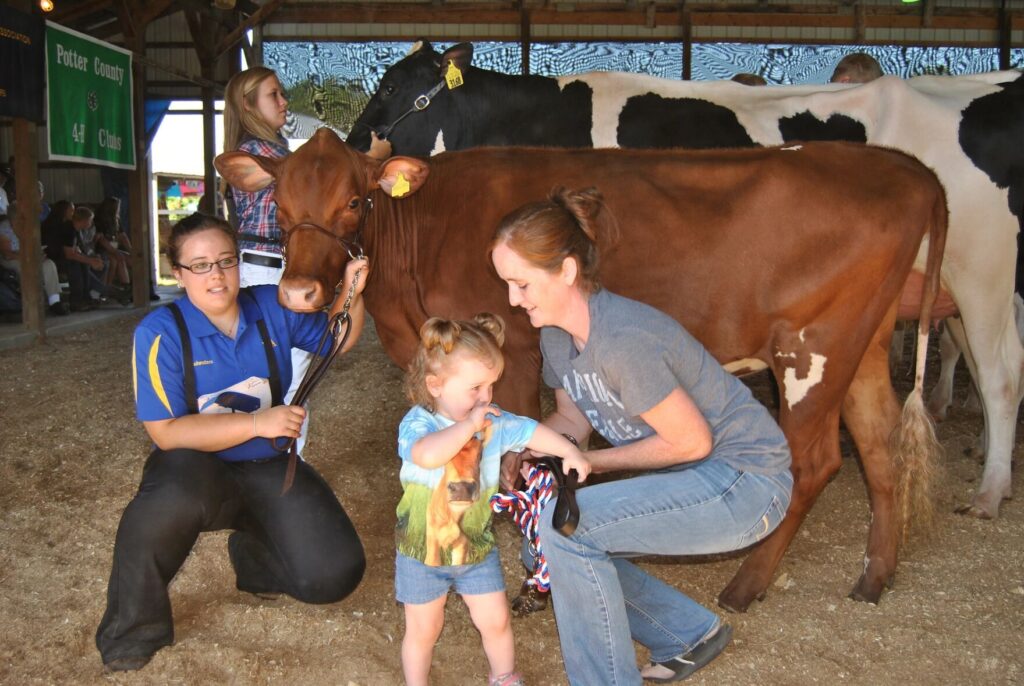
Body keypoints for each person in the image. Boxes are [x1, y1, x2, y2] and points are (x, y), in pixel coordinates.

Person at [489, 188, 793, 685]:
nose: (512, 299)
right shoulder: (556, 335)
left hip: (746, 482)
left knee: (567, 532)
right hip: (699, 475)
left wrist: (592, 464)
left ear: (566, 271)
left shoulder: (623, 341)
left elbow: (692, 443)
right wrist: (525, 450)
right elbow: (573, 421)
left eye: (521, 284)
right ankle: (687, 632)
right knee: (541, 542)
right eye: (507, 284)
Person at [95, 212, 370, 672]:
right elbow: (165, 431)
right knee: (164, 504)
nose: (216, 275)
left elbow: (336, 341)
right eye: (200, 265)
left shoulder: (269, 305)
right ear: (178, 274)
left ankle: (255, 557)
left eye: (225, 260)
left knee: (333, 576)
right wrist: (260, 423)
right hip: (194, 468)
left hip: (265, 466)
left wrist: (353, 290)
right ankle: (132, 630)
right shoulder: (160, 331)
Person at [397, 313, 591, 686]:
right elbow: (426, 455)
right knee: (424, 630)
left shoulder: (494, 422)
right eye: (475, 388)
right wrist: (468, 427)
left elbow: (530, 430)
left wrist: (570, 453)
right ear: (435, 385)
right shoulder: (418, 423)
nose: (486, 397)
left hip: (476, 550)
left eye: (491, 385)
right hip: (422, 553)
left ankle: (504, 677)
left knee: (496, 621)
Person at [223, 66, 317, 452]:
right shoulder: (257, 153)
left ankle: (274, 461)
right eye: (273, 95)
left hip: (264, 267)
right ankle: (283, 463)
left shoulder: (275, 150)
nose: (283, 102)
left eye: (281, 94)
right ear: (249, 106)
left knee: (279, 376)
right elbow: (315, 173)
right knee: (289, 379)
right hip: (269, 270)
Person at [0, 203, 69, 316]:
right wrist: (29, 258)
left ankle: (54, 301)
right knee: (23, 267)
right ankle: (30, 303)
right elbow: (7, 253)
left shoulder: (28, 227)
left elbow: (34, 246)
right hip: (11, 258)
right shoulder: (4, 228)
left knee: (49, 264)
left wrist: (38, 255)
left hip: (27, 256)